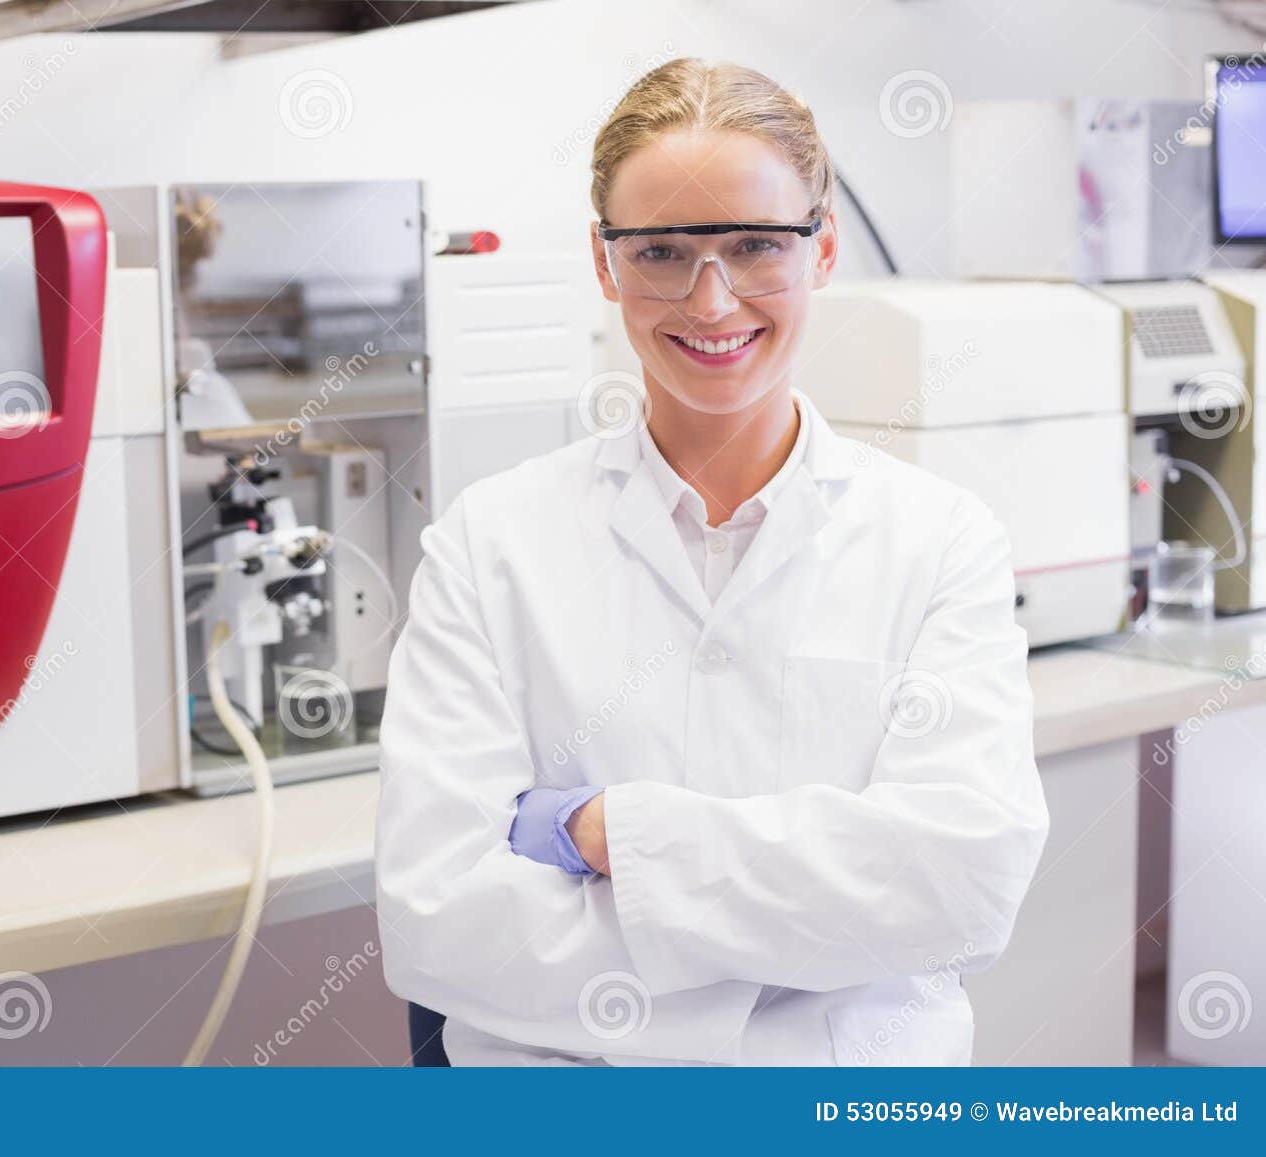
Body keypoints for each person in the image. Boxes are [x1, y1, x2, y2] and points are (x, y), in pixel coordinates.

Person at [374, 58, 1049, 1066]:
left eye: (752, 245)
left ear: (821, 250)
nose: (710, 297)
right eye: (658, 251)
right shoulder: (488, 541)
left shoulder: (939, 539)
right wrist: (788, 970)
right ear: (604, 266)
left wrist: (614, 835)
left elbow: (962, 886)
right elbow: (436, 922)